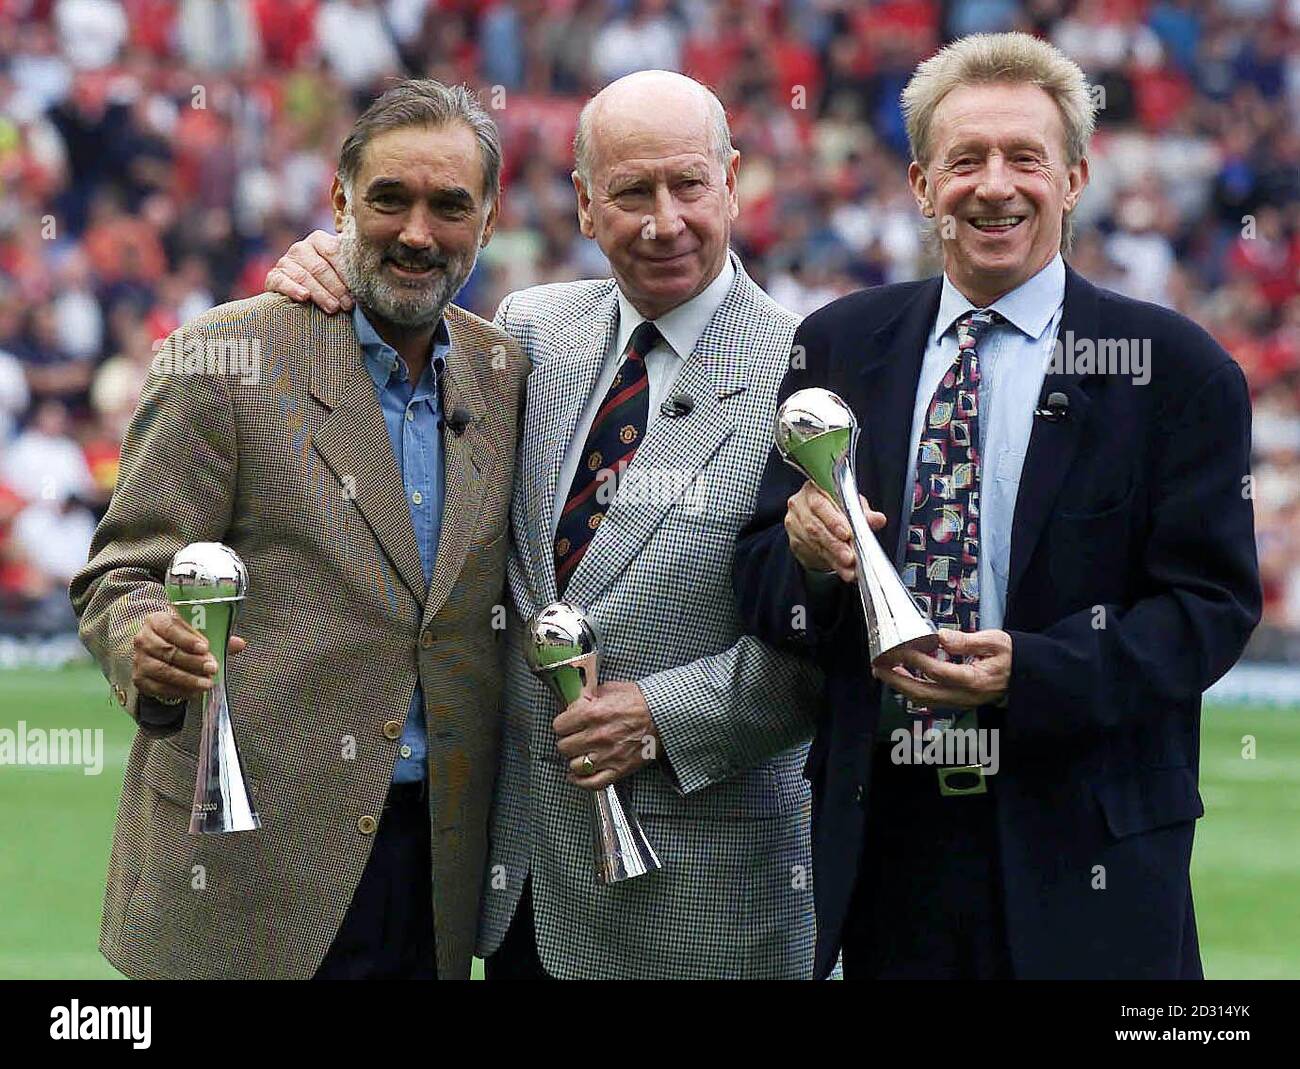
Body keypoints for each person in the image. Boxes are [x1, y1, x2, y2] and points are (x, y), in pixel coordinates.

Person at [266, 70, 821, 979]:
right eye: (631, 191)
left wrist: (659, 715)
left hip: (708, 910)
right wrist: (324, 258)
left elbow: (826, 650)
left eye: (687, 184)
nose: (662, 220)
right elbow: (401, 294)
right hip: (523, 894)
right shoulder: (530, 331)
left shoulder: (808, 373)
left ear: (732, 180)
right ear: (584, 203)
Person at [733, 32, 1261, 980]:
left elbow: (1209, 612)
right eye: (965, 159)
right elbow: (764, 587)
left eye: (1025, 157)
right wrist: (803, 553)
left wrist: (1034, 671)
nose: (995, 185)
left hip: (1088, 857)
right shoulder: (839, 346)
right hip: (885, 848)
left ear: (1074, 178)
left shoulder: (1175, 370)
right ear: (920, 182)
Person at [70, 80, 528, 980]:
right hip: (245, 870)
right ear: (340, 201)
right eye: (389, 199)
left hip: (433, 875)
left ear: (489, 216)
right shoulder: (221, 359)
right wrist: (144, 642)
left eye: (449, 205)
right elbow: (119, 574)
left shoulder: (508, 371)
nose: (417, 232)